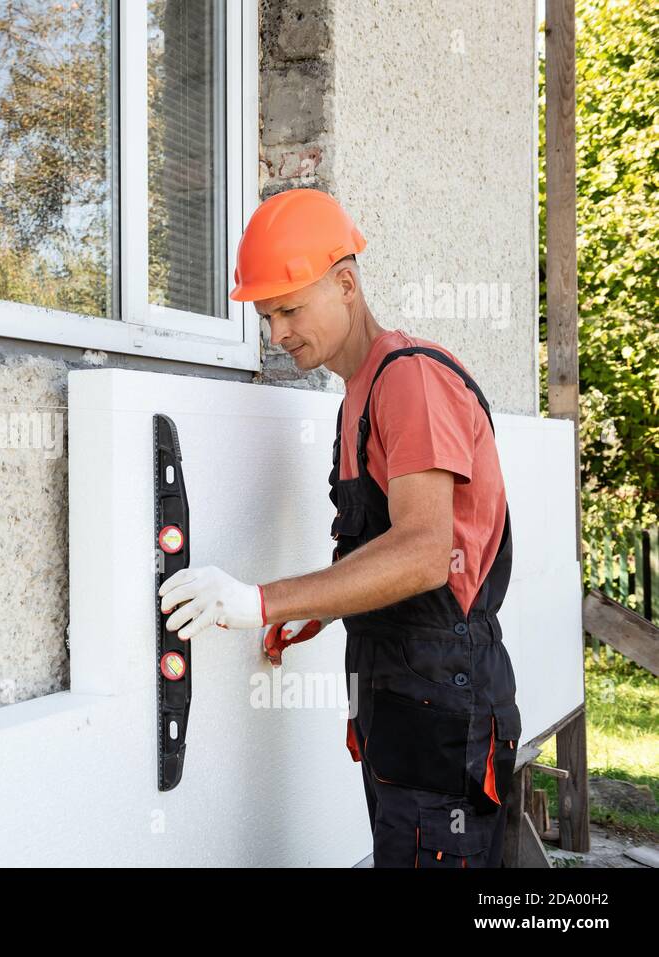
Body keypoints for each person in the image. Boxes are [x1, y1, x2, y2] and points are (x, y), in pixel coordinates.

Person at [158, 188, 523, 867]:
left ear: (346, 283)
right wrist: (321, 611)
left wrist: (262, 600)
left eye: (290, 308)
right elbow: (376, 547)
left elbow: (422, 553)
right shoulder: (357, 395)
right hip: (400, 698)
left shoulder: (408, 379)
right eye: (267, 317)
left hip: (444, 701)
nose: (278, 333)